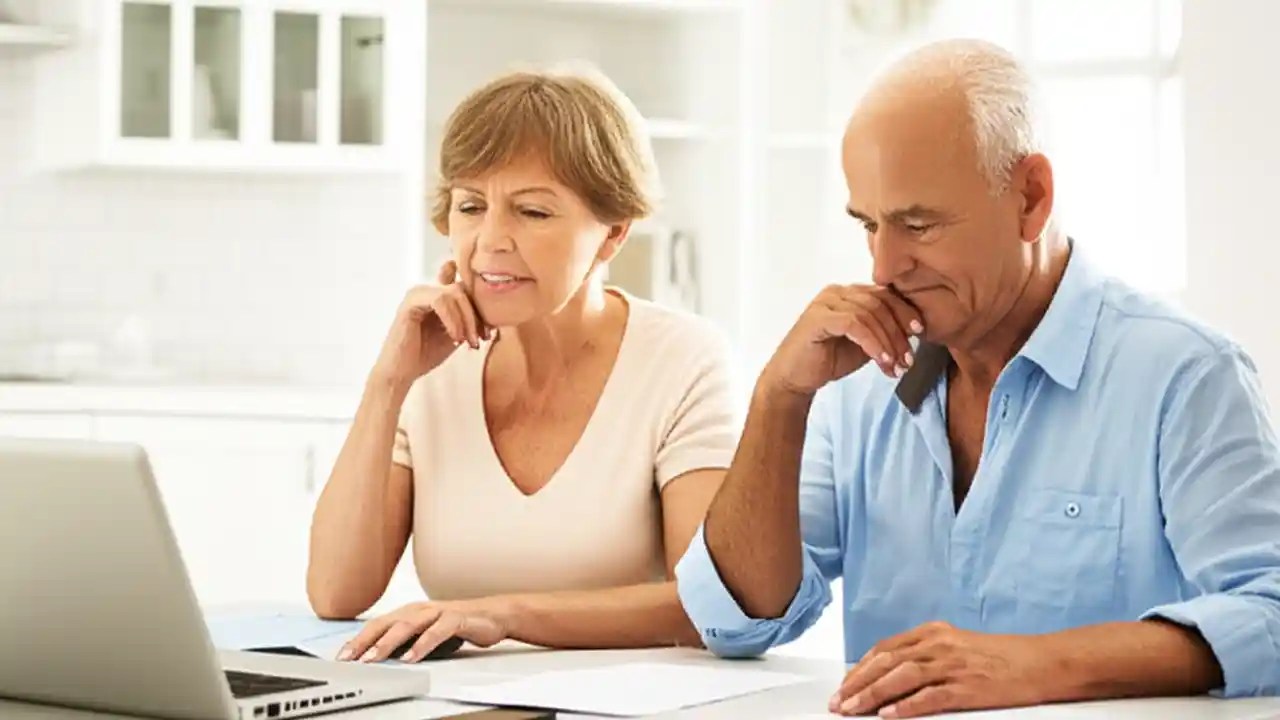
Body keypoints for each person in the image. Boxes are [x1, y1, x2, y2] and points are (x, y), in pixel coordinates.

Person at [676, 38, 1280, 718]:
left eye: (917, 224)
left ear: (1030, 197)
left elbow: (1271, 611)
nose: (882, 268)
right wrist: (779, 397)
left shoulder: (1186, 376)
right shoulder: (855, 383)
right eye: (869, 225)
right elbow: (738, 620)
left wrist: (1039, 664)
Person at [307, 65, 740, 664]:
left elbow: (707, 607)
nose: (490, 240)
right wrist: (389, 383)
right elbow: (336, 591)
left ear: (613, 233)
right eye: (471, 205)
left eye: (532, 212)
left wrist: (499, 615)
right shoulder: (429, 369)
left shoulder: (683, 359)